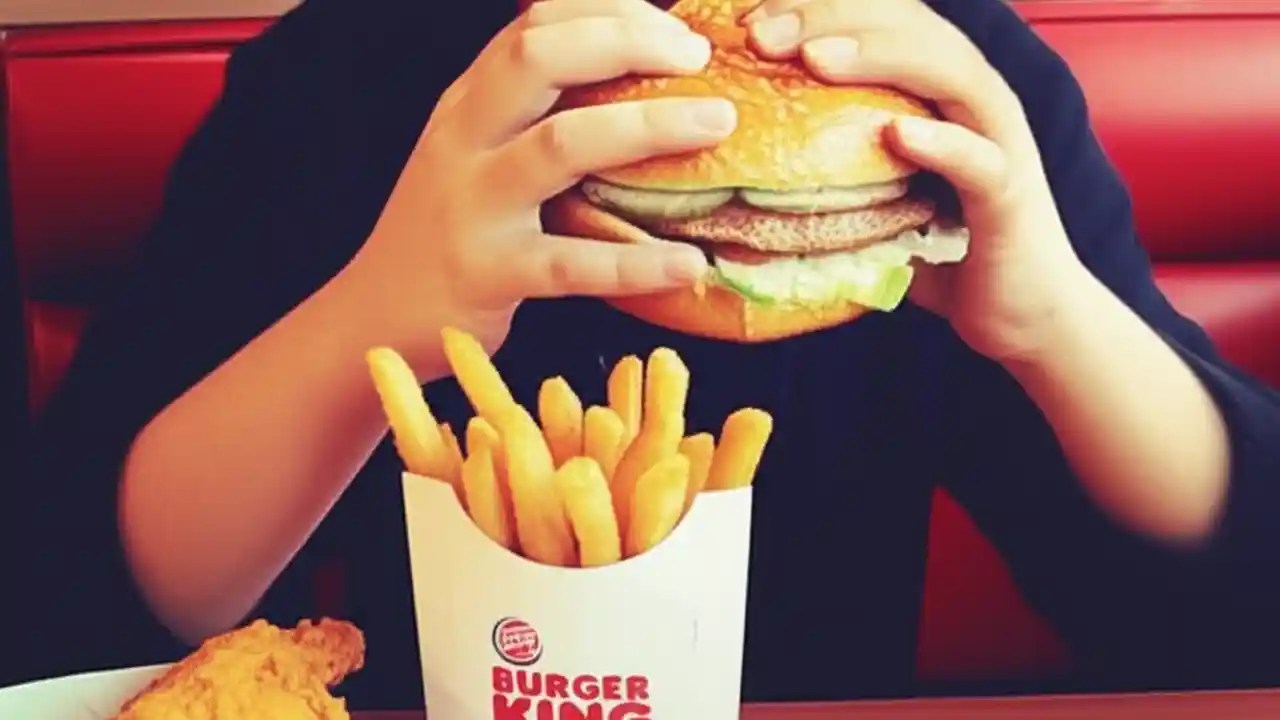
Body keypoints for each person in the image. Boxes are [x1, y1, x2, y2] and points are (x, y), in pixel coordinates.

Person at [14, 0, 1280, 709]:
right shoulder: (341, 73)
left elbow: (1219, 611)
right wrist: (375, 313)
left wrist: (1050, 320)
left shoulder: (946, 84)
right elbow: (69, 615)